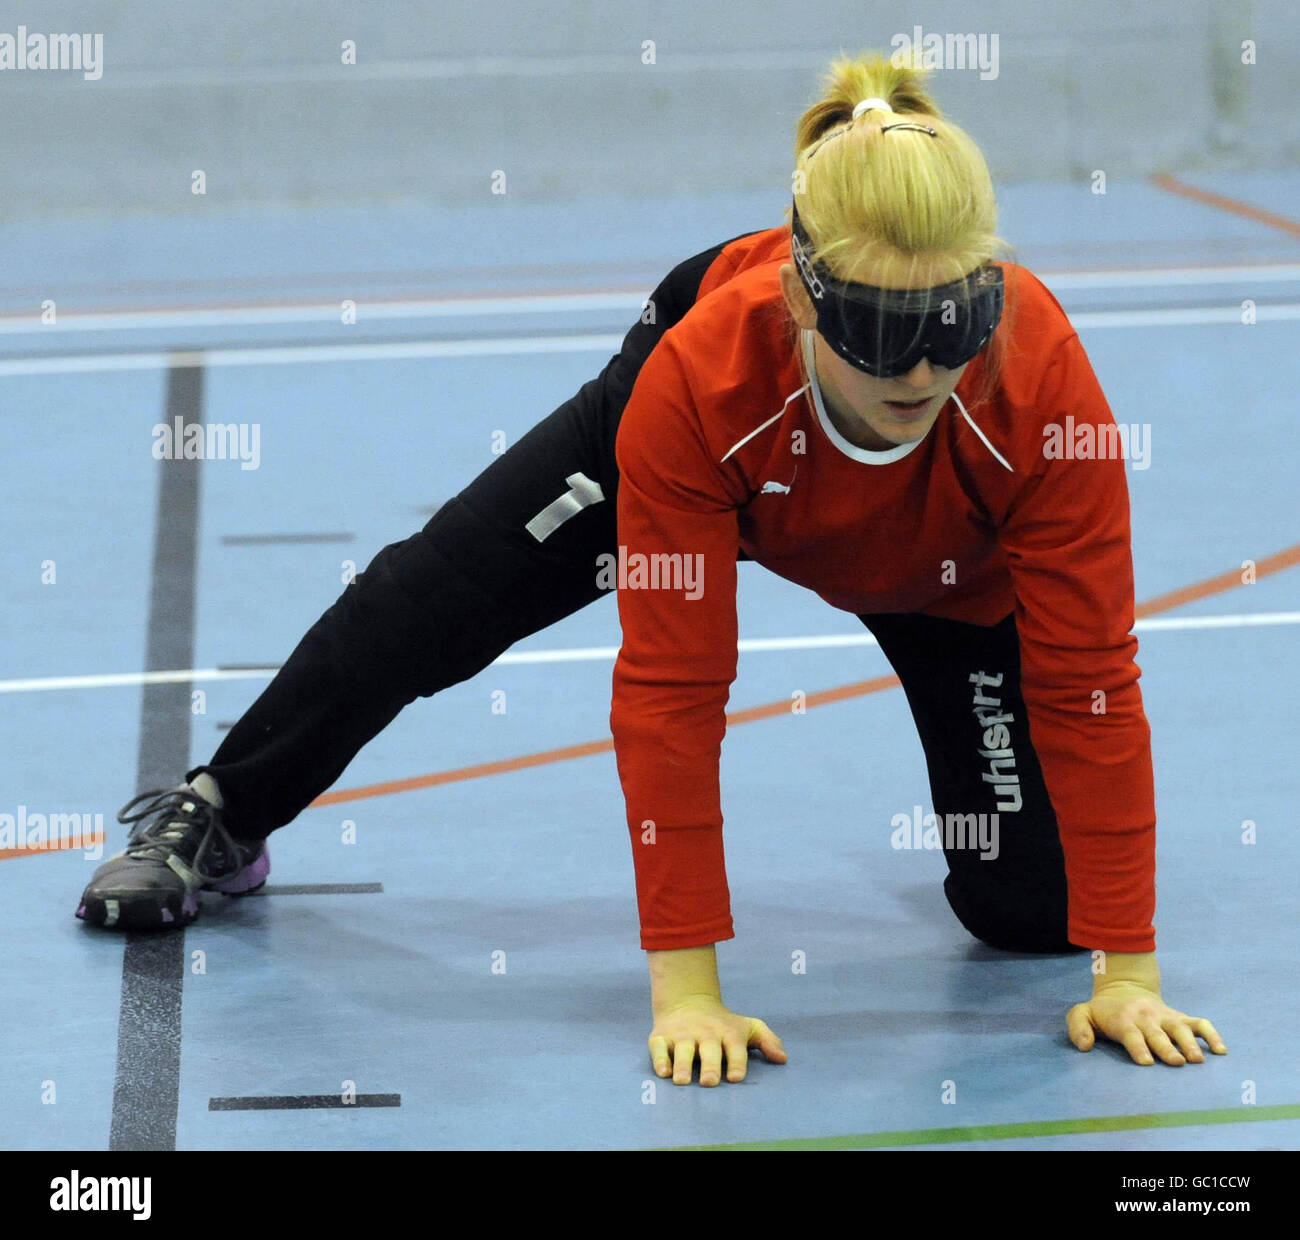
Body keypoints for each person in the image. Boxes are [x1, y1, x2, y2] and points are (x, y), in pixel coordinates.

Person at [79, 52, 1225, 1086]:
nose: (922, 370)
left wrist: (1128, 967)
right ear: (802, 292)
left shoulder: (1038, 386)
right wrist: (690, 990)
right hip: (712, 454)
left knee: (1032, 914)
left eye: (953, 322)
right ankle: (219, 813)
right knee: (425, 605)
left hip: (942, 576)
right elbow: (674, 696)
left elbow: (1091, 681)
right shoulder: (701, 379)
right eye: (881, 329)